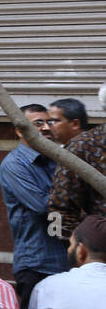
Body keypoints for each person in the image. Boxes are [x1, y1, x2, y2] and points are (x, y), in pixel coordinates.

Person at [0, 103, 67, 309]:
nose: (46, 128)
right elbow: (42, 207)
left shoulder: (56, 159)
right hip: (37, 263)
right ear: (19, 130)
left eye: (49, 122)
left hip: (64, 263)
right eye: (38, 123)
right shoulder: (14, 165)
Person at [47, 97, 106, 239]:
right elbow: (60, 204)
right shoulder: (83, 145)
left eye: (55, 121)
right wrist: (74, 248)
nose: (49, 126)